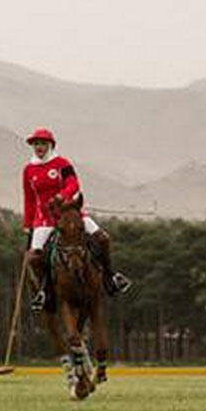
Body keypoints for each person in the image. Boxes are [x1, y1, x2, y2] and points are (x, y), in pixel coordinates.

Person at [21, 127, 129, 311]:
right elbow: (29, 198)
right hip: (44, 220)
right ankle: (44, 291)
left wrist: (62, 196)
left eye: (42, 143)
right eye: (36, 144)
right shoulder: (29, 170)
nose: (39, 147)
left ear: (50, 145)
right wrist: (28, 223)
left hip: (70, 213)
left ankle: (110, 277)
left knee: (103, 238)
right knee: (34, 257)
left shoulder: (62, 163)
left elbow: (73, 184)